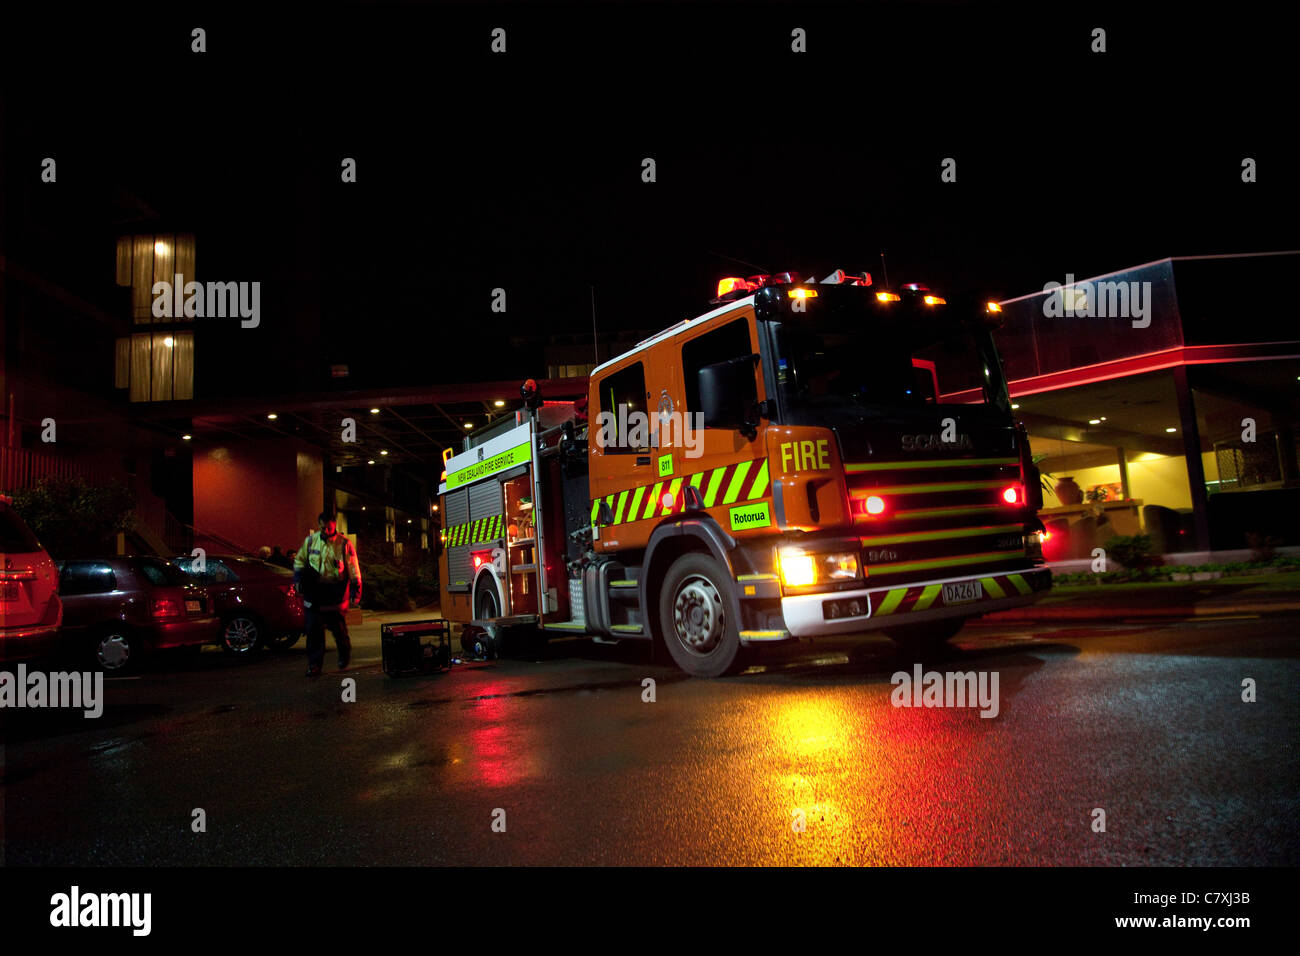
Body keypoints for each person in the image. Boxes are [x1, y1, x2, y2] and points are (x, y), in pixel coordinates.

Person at [293, 510, 362, 677]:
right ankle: (315, 665)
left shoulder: (344, 544)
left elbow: (353, 568)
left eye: (329, 529)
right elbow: (300, 562)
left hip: (335, 593)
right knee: (314, 631)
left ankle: (344, 654)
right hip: (315, 593)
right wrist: (298, 581)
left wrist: (355, 589)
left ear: (334, 525)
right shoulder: (310, 542)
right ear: (319, 526)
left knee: (338, 630)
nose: (326, 532)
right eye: (323, 528)